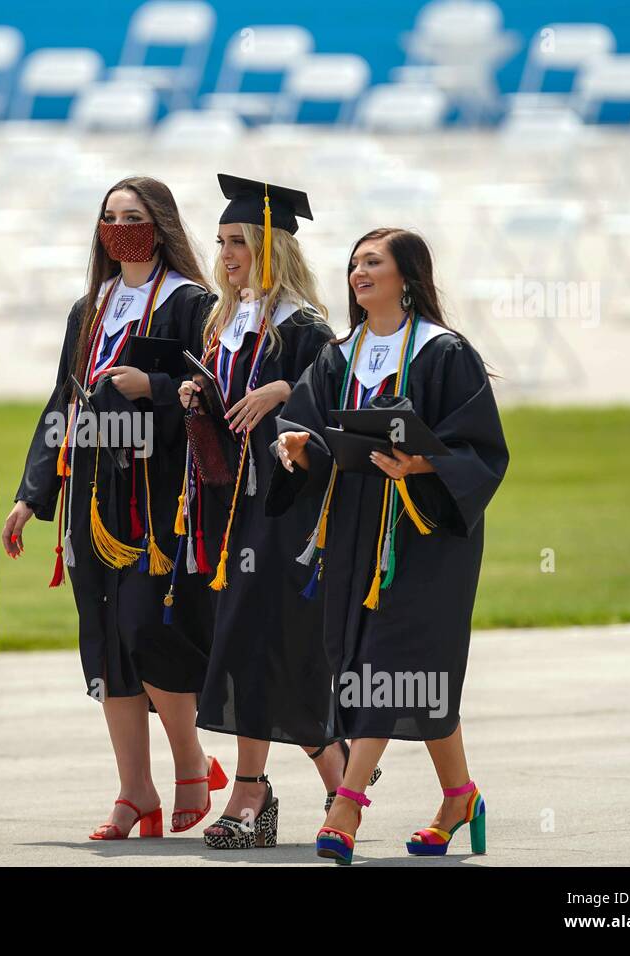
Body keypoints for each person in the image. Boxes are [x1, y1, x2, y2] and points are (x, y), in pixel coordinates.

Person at [269, 227, 509, 864]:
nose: (358, 273)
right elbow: (315, 431)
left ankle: (346, 806)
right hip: (354, 531)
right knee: (402, 674)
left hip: (424, 535)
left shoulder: (443, 352)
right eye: (353, 264)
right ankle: (459, 797)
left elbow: (481, 449)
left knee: (386, 663)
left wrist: (421, 468)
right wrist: (296, 447)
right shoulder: (339, 355)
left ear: (408, 276)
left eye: (373, 262)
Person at [3, 176, 226, 839]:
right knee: (103, 648)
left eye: (133, 216)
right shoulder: (89, 308)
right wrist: (29, 495)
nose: (120, 226)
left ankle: (190, 763)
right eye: (110, 217)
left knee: (145, 630)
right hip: (89, 493)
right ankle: (135, 792)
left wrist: (151, 385)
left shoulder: (192, 302)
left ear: (160, 225)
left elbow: (208, 389)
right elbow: (61, 405)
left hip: (154, 500)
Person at [179, 175, 375, 850]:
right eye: (222, 241)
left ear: (272, 247)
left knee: (265, 645)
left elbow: (334, 399)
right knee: (254, 647)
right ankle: (335, 776)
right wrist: (199, 394)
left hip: (287, 512)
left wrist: (284, 388)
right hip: (235, 511)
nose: (228, 254)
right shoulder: (227, 320)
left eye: (240, 241)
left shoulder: (304, 325)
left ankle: (255, 794)